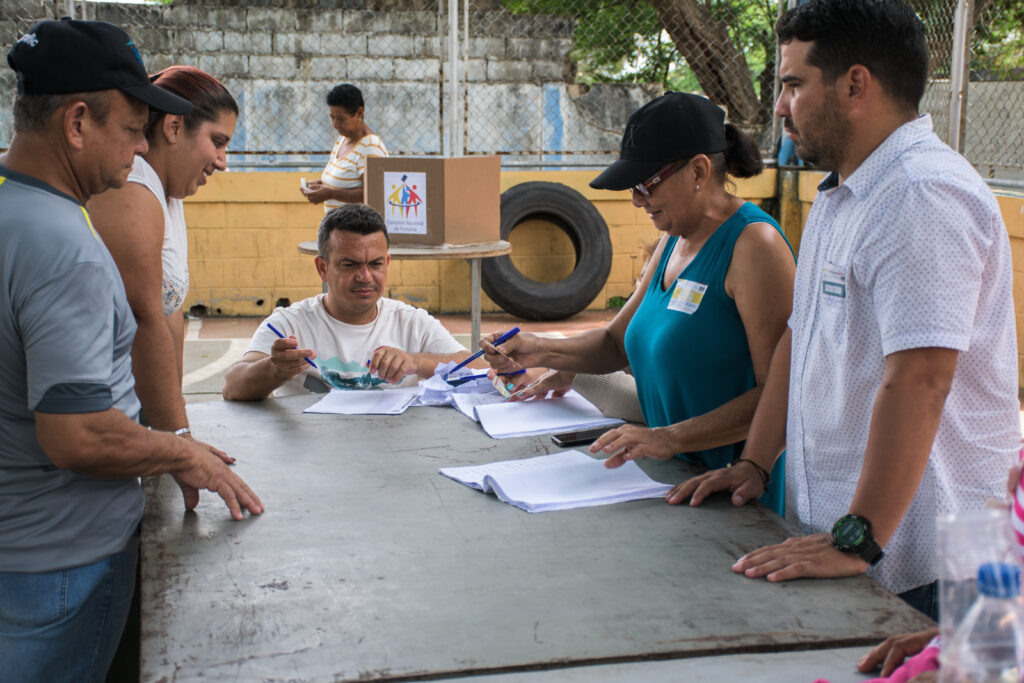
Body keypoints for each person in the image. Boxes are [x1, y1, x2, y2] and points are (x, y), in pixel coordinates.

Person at [675, 0, 1020, 621]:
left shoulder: (921, 194)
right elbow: (799, 340)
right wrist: (754, 461)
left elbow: (921, 378)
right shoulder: (847, 194)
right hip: (868, 550)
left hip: (933, 565)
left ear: (855, 84)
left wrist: (859, 536)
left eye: (792, 84)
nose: (780, 106)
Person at [0, 19, 263, 682]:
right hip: (58, 566)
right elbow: (79, 434)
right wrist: (180, 448)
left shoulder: (12, 206)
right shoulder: (64, 247)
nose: (143, 148)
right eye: (133, 128)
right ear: (77, 122)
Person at [481, 92, 797, 516]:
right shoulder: (672, 241)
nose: (636, 199)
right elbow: (616, 343)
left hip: (736, 487)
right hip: (671, 478)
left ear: (699, 170)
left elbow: (783, 390)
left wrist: (670, 438)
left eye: (647, 184)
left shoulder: (756, 246)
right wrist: (537, 347)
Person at [87, 65, 237, 460]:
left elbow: (170, 314)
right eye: (217, 142)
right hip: (96, 421)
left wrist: (175, 425)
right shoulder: (133, 189)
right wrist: (177, 441)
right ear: (173, 128)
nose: (222, 161)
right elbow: (144, 321)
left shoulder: (170, 191)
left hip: (132, 421)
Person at [222, 204, 478, 400]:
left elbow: (477, 368)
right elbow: (232, 387)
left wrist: (415, 362)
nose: (365, 277)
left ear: (387, 264)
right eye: (350, 264)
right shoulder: (289, 323)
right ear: (322, 268)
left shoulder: (411, 322)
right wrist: (273, 369)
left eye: (375, 264)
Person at [300, 83, 387, 211]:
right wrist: (320, 185)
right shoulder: (343, 139)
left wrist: (331, 193)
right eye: (332, 118)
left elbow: (374, 193)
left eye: (341, 119)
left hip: (357, 229)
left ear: (359, 113)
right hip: (337, 226)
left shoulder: (370, 147)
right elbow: (346, 181)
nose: (335, 124)